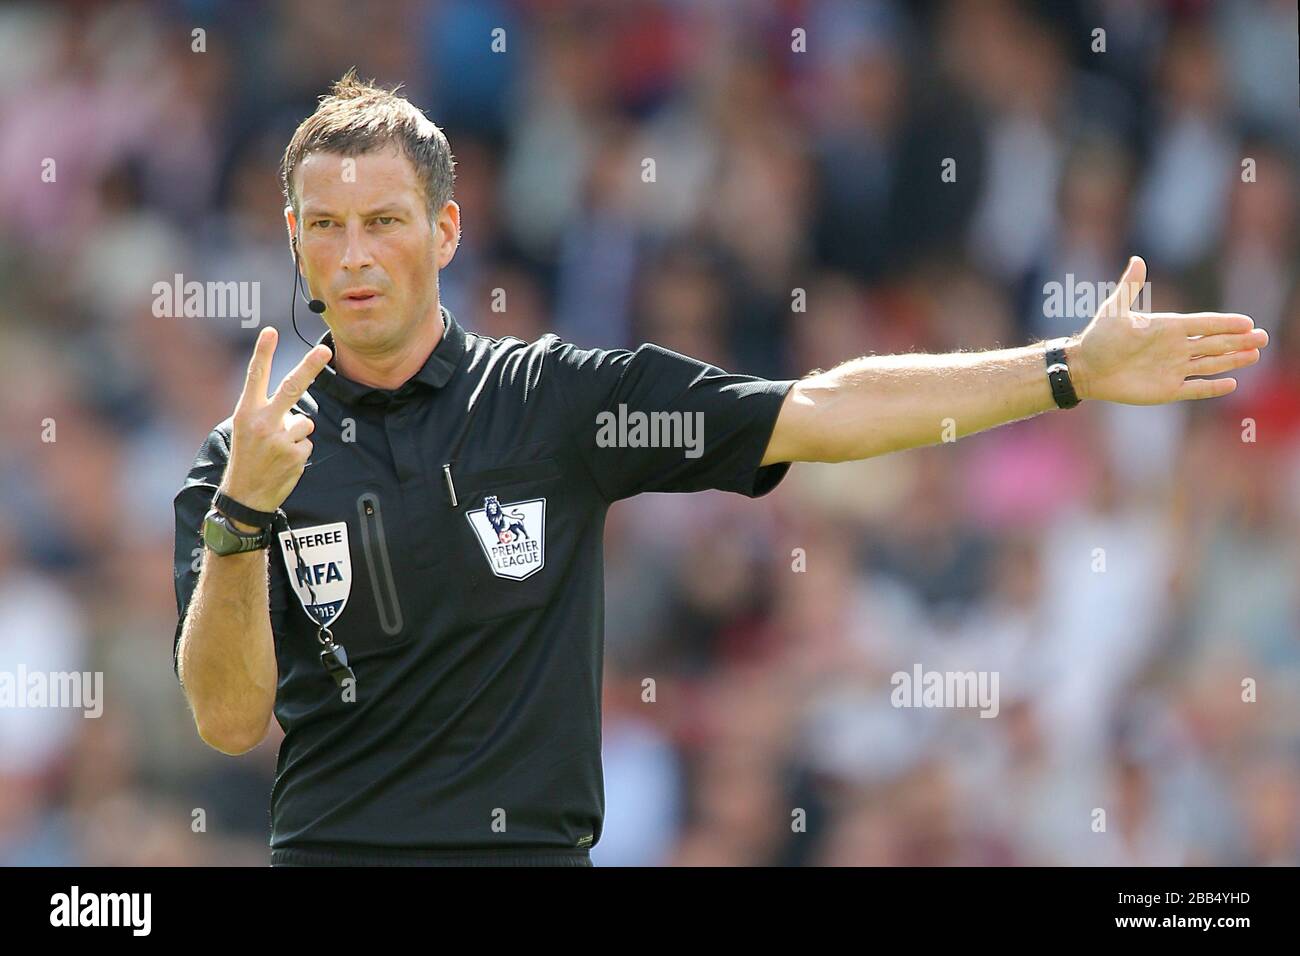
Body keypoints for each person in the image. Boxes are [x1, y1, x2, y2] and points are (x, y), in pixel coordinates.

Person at [171, 70, 1269, 867]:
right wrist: (241, 518)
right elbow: (226, 720)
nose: (355, 253)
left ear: (447, 227)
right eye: (326, 225)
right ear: (293, 238)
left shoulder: (553, 403)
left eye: (383, 220)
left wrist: (1068, 366)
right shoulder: (243, 460)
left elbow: (821, 411)